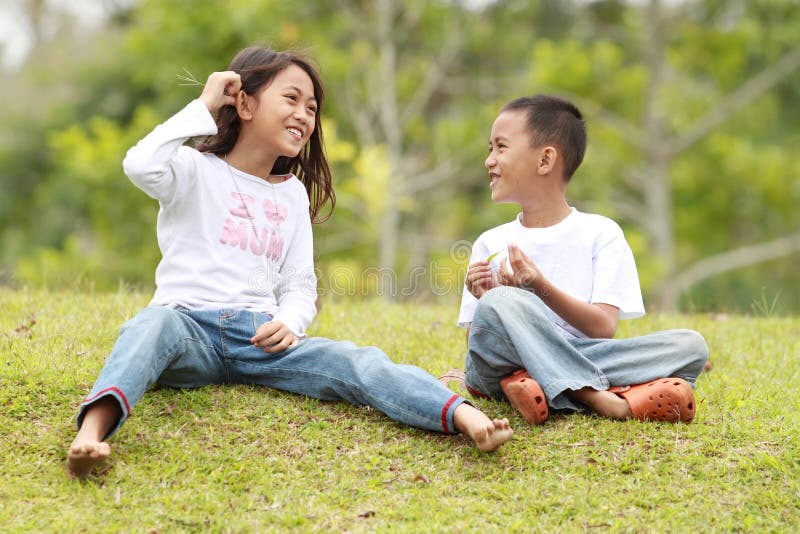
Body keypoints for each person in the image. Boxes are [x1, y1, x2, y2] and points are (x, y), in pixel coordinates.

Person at [67, 46, 512, 479]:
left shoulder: (292, 193)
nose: (304, 114)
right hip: (186, 328)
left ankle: (461, 416)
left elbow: (300, 283)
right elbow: (139, 164)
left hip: (261, 341)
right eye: (291, 99)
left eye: (312, 107)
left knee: (355, 361)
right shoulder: (192, 170)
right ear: (243, 103)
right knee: (149, 326)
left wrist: (292, 322)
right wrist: (205, 102)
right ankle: (90, 433)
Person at [457, 94, 708, 426]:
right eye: (490, 149)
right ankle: (598, 398)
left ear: (545, 160)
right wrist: (487, 298)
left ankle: (536, 382)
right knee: (500, 302)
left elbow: (603, 328)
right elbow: (479, 344)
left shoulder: (601, 234)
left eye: (501, 147)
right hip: (497, 369)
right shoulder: (491, 242)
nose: (489, 160)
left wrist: (540, 287)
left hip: (582, 354)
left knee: (691, 347)